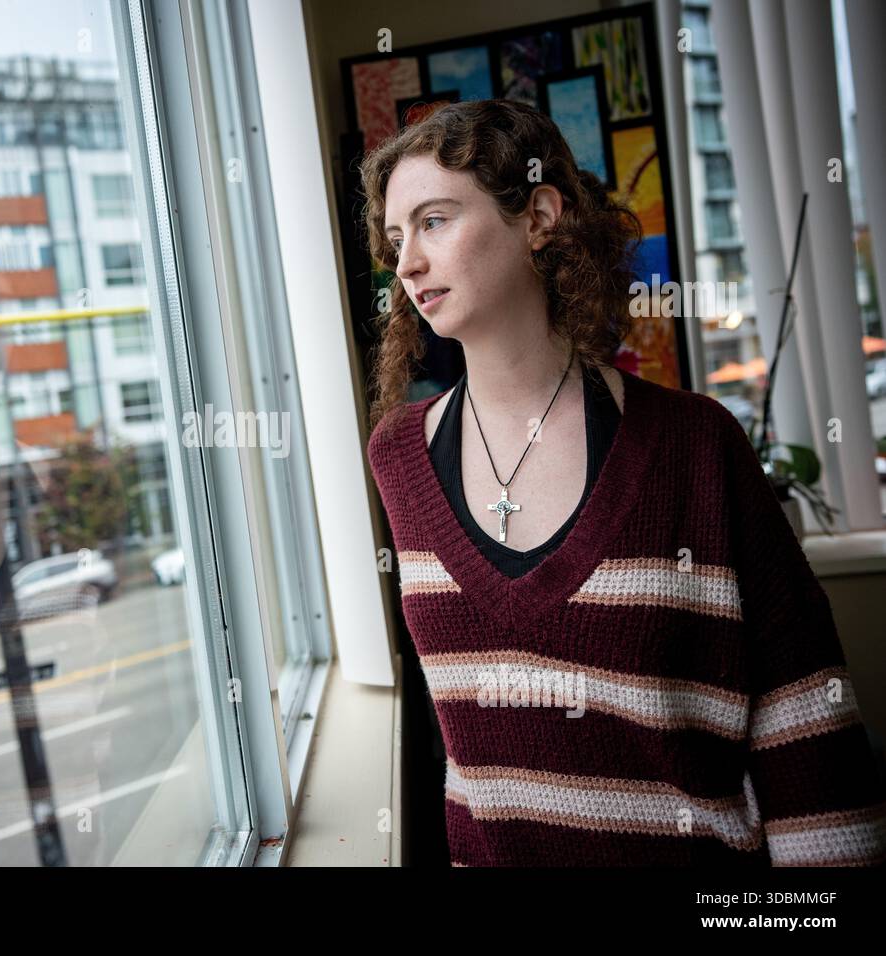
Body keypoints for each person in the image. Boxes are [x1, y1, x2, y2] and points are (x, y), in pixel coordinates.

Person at [362, 98, 885, 866]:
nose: (406, 262)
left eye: (435, 221)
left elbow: (805, 720)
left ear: (539, 216)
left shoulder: (696, 445)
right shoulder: (398, 457)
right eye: (397, 237)